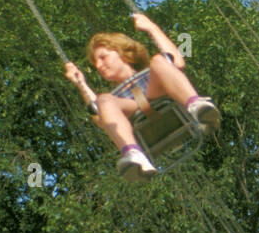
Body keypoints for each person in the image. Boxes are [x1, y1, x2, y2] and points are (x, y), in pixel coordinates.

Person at [64, 12, 220, 180]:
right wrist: (81, 84)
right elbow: (101, 119)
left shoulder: (150, 74)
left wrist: (151, 28)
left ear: (121, 52)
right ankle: (132, 153)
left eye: (103, 57)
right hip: (132, 109)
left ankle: (196, 106)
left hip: (157, 95)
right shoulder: (115, 97)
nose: (99, 65)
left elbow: (177, 62)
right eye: (96, 63)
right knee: (103, 100)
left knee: (159, 60)